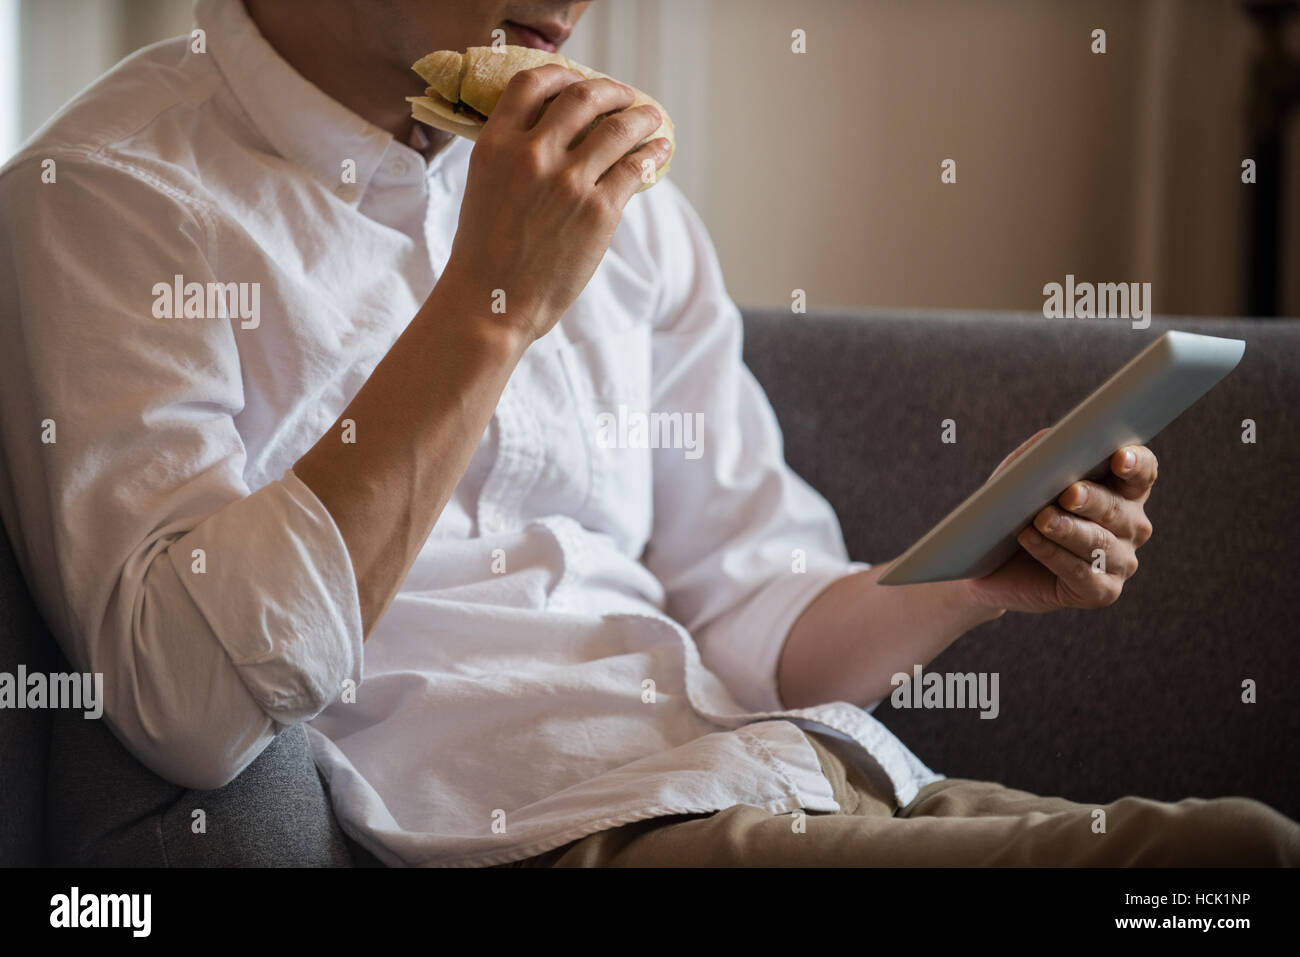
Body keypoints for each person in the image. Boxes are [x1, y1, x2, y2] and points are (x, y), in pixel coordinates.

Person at [0, 0, 1295, 868]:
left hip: (787, 776)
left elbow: (748, 613)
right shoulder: (111, 203)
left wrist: (967, 569)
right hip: (540, 834)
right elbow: (185, 699)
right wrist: (489, 309)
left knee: (1237, 853)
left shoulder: (622, 209)